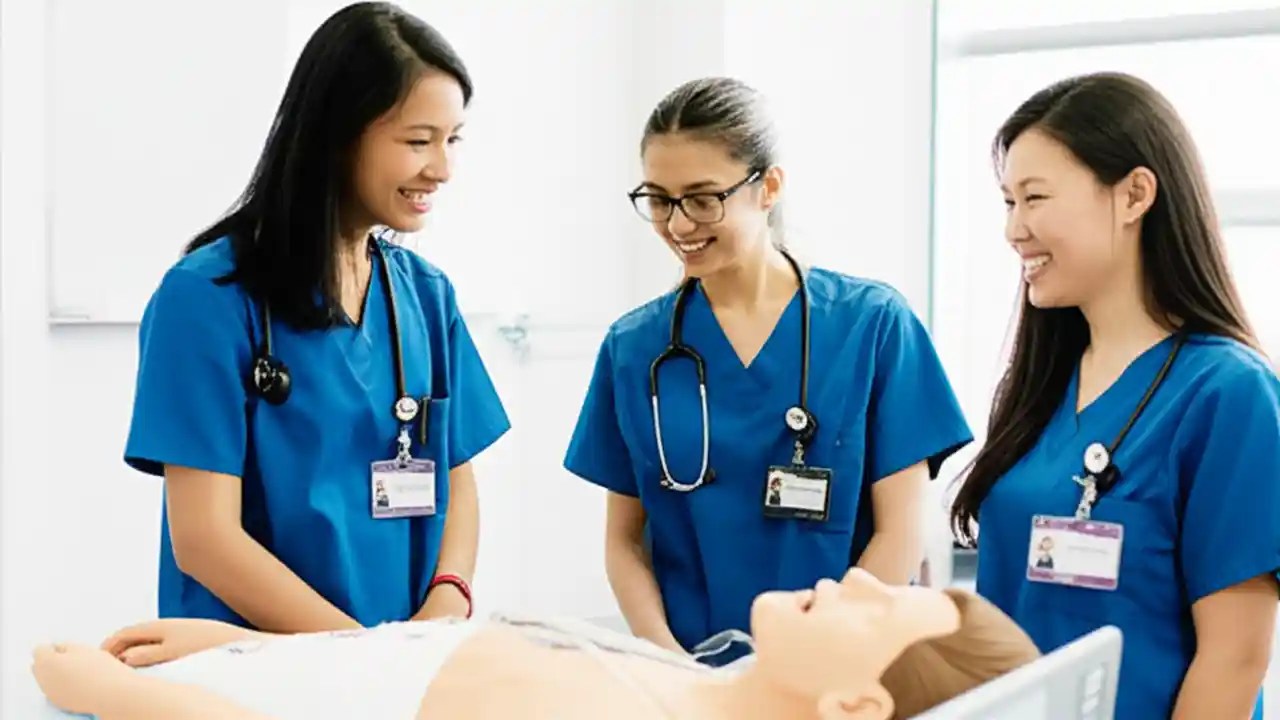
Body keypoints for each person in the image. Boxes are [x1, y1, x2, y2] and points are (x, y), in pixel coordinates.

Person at [121, 2, 510, 634]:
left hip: (401, 657)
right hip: (256, 663)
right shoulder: (207, 299)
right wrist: (356, 656)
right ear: (338, 135)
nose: (441, 169)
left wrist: (447, 599)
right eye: (418, 141)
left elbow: (457, 478)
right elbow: (205, 539)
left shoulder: (425, 296)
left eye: (452, 140)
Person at [563, 76, 972, 657]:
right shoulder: (634, 348)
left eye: (703, 198)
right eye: (658, 199)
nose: (678, 225)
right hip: (691, 672)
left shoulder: (872, 325)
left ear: (768, 187)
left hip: (840, 664)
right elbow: (624, 543)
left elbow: (900, 532)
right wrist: (667, 660)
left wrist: (814, 659)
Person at [949, 71, 1280, 720]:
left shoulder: (1228, 395)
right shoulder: (1040, 386)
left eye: (1034, 197)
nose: (1014, 229)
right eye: (1008, 202)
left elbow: (1235, 659)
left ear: (1134, 195)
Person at [30, 569, 1041, 720]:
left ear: (856, 707)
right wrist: (247, 643)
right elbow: (421, 667)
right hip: (239, 671)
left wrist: (110, 698)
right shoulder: (695, 685)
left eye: (880, 608)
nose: (856, 577)